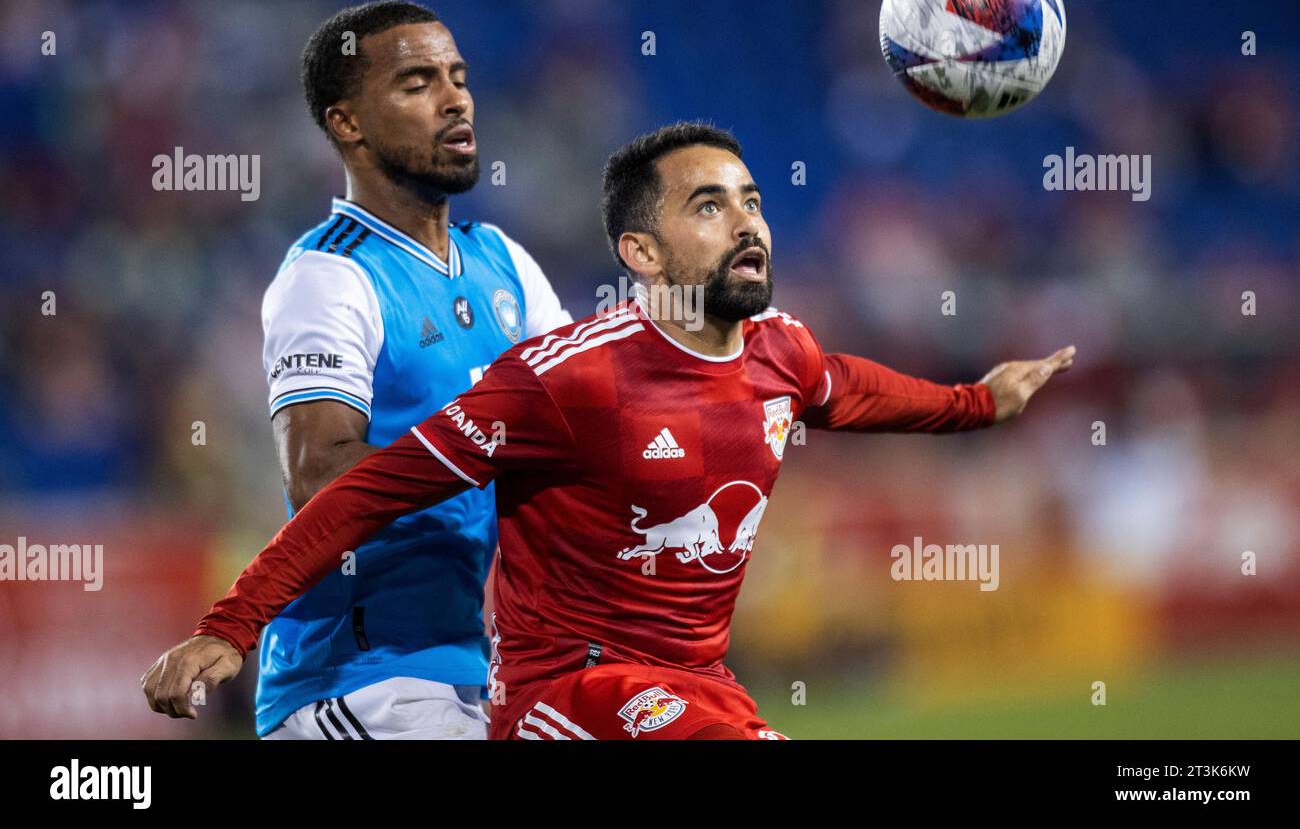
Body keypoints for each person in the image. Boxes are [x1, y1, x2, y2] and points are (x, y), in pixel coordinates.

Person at [142, 121, 1073, 739]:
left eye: (751, 199)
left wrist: (982, 402)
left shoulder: (782, 353)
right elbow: (367, 493)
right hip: (570, 692)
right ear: (641, 253)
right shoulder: (566, 382)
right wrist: (231, 628)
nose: (748, 223)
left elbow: (858, 391)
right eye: (709, 206)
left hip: (699, 685)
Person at [238, 0, 568, 740]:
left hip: (465, 669)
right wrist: (485, 456)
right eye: (417, 83)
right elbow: (320, 474)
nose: (455, 100)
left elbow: (582, 426)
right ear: (347, 123)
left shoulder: (504, 263)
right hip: (357, 679)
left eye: (458, 77)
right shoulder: (328, 275)